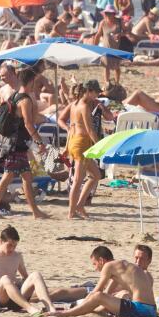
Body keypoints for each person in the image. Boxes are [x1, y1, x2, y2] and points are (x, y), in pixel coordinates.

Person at [0, 67, 51, 220]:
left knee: (27, 179)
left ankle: (35, 212)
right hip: (15, 145)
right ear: (30, 81)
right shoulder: (25, 100)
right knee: (7, 177)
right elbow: (29, 124)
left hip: (15, 144)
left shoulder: (14, 96)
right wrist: (39, 142)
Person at [49, 245, 158, 317]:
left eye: (94, 264)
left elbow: (97, 292)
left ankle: (64, 314)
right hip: (152, 311)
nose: (96, 268)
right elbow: (107, 294)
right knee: (102, 302)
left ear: (101, 261)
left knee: (98, 296)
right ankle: (79, 311)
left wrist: (78, 307)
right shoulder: (137, 272)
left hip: (140, 309)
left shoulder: (108, 266)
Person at [0, 225, 55, 314]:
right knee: (5, 279)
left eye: (15, 246)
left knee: (36, 275)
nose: (12, 248)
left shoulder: (17, 256)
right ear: (0, 242)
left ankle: (50, 308)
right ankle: (30, 308)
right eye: (9, 245)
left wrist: (20, 282)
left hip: (15, 298)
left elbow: (26, 277)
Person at [65, 83, 100, 220]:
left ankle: (79, 205)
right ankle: (71, 212)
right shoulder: (84, 106)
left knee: (95, 175)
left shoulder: (74, 104)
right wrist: (99, 146)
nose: (96, 95)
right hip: (81, 143)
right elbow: (90, 130)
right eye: (95, 92)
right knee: (78, 181)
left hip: (75, 141)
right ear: (88, 91)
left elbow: (72, 124)